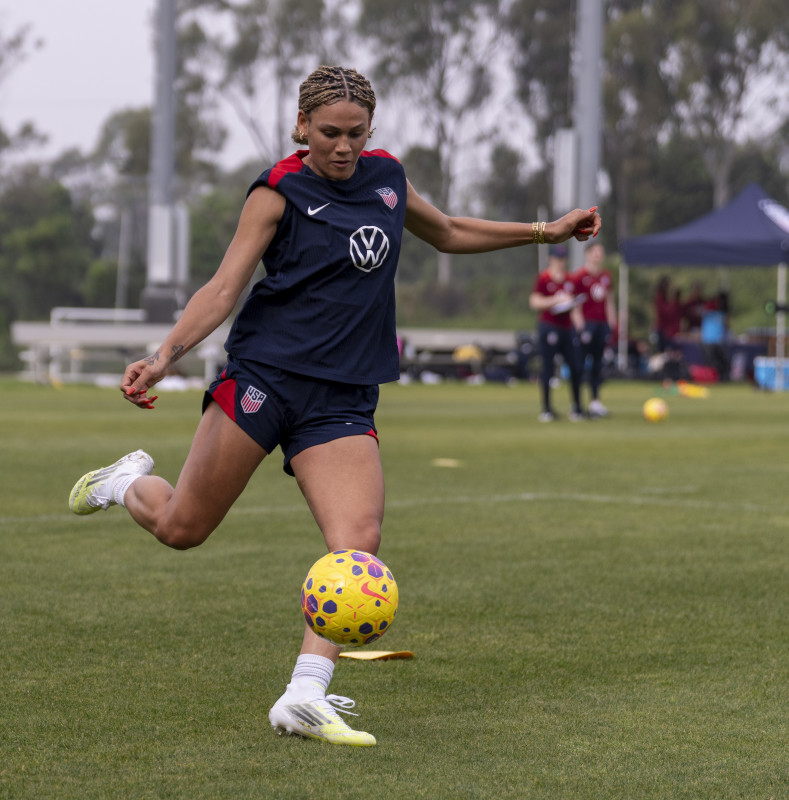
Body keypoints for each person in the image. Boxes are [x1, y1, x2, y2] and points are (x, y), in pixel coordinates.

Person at [67, 65, 601, 747]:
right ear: (301, 128)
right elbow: (224, 289)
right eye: (328, 133)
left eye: (355, 133)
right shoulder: (277, 191)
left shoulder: (386, 179)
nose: (343, 146)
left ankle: (302, 695)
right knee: (182, 527)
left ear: (369, 131)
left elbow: (446, 231)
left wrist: (543, 233)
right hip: (265, 379)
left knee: (358, 546)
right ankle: (121, 483)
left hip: (343, 397)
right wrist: (165, 354)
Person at [529, 243, 586, 422]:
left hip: (567, 328)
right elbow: (535, 302)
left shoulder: (571, 279)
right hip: (549, 326)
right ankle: (546, 409)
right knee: (548, 368)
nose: (560, 262)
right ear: (550, 259)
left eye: (562, 259)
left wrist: (580, 323)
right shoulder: (544, 278)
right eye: (557, 258)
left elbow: (575, 305)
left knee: (576, 367)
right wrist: (555, 300)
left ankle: (577, 407)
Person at [572, 242, 616, 417]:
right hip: (587, 324)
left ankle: (595, 402)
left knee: (598, 364)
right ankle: (577, 403)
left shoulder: (606, 276)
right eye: (595, 252)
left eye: (601, 252)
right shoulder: (580, 276)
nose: (598, 255)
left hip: (601, 324)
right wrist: (580, 326)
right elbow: (575, 304)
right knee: (580, 364)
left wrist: (612, 324)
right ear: (587, 254)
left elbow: (609, 301)